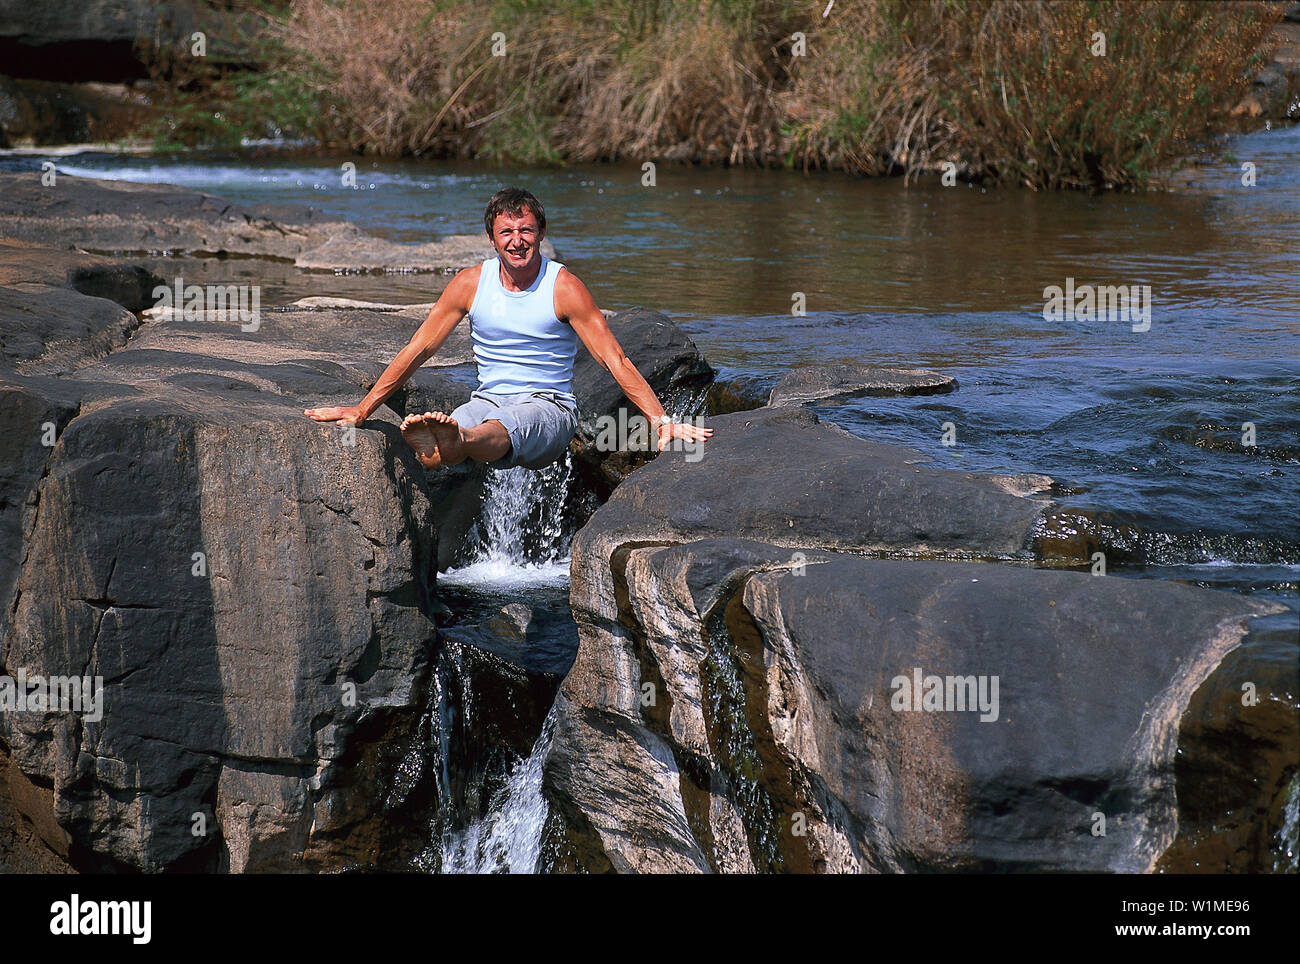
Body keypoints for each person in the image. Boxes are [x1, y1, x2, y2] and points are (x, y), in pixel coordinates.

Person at [304, 186, 712, 470]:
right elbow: (419, 349)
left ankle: (457, 446)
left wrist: (661, 420)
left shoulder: (563, 287)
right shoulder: (469, 283)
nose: (517, 241)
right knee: (464, 420)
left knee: (484, 431)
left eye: (525, 230)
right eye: (507, 232)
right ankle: (448, 448)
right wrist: (362, 410)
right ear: (491, 239)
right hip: (487, 400)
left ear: (540, 234)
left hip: (547, 408)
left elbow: (614, 358)